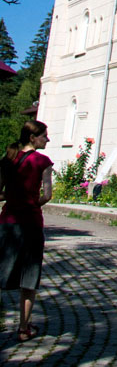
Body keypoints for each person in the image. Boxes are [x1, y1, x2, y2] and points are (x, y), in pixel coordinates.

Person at [0, 120, 53, 342]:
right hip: (31, 223)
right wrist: (31, 202)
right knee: (29, 278)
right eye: (44, 136)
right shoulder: (42, 161)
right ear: (33, 138)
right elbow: (47, 195)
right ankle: (24, 328)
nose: (47, 139)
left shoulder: (8, 158)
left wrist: (13, 198)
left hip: (8, 222)